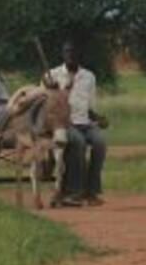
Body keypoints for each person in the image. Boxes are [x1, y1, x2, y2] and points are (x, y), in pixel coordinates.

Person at [44, 41, 108, 207]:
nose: (70, 55)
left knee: (100, 142)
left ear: (80, 55)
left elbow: (90, 107)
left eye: (74, 52)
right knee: (78, 142)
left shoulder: (89, 76)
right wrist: (50, 90)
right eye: (67, 52)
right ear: (62, 55)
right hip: (63, 123)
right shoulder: (52, 75)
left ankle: (91, 192)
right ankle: (73, 192)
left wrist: (99, 118)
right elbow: (45, 105)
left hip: (85, 122)